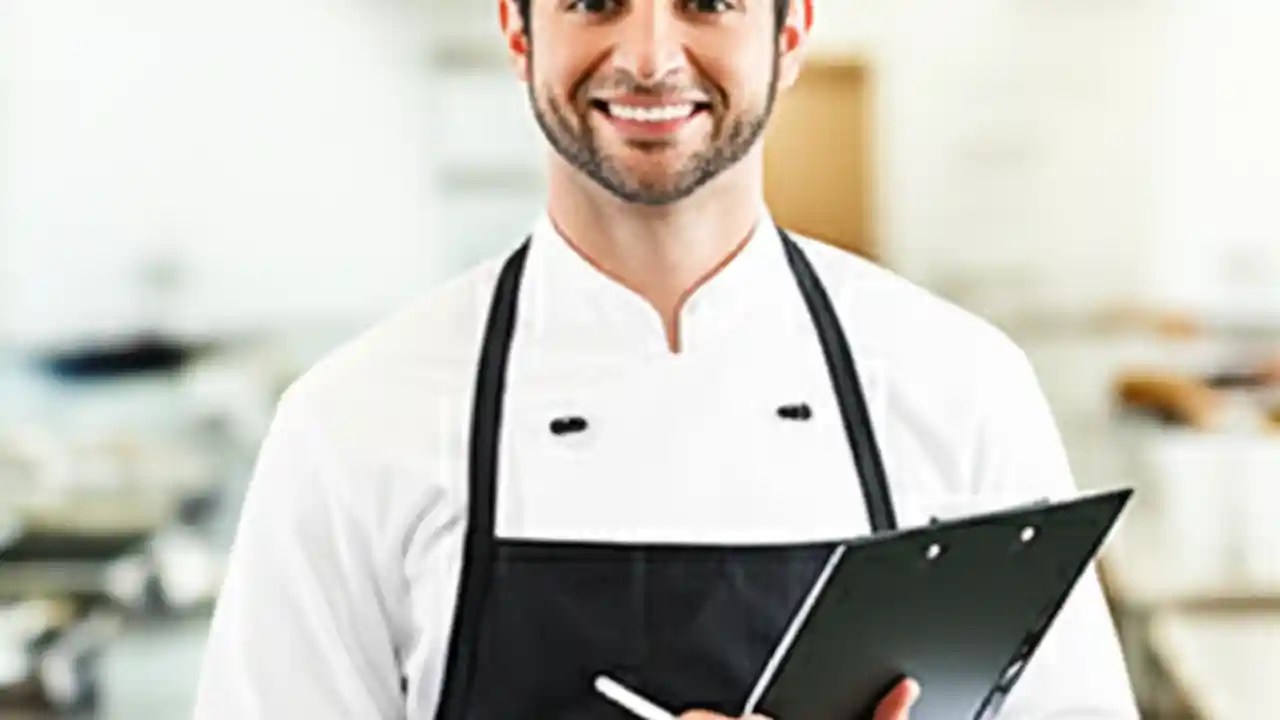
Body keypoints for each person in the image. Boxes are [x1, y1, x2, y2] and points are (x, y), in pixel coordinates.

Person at [193, 0, 1140, 717]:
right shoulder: (354, 421)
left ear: (793, 28)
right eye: (596, 0)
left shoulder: (962, 385)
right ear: (518, 31)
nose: (648, 57)